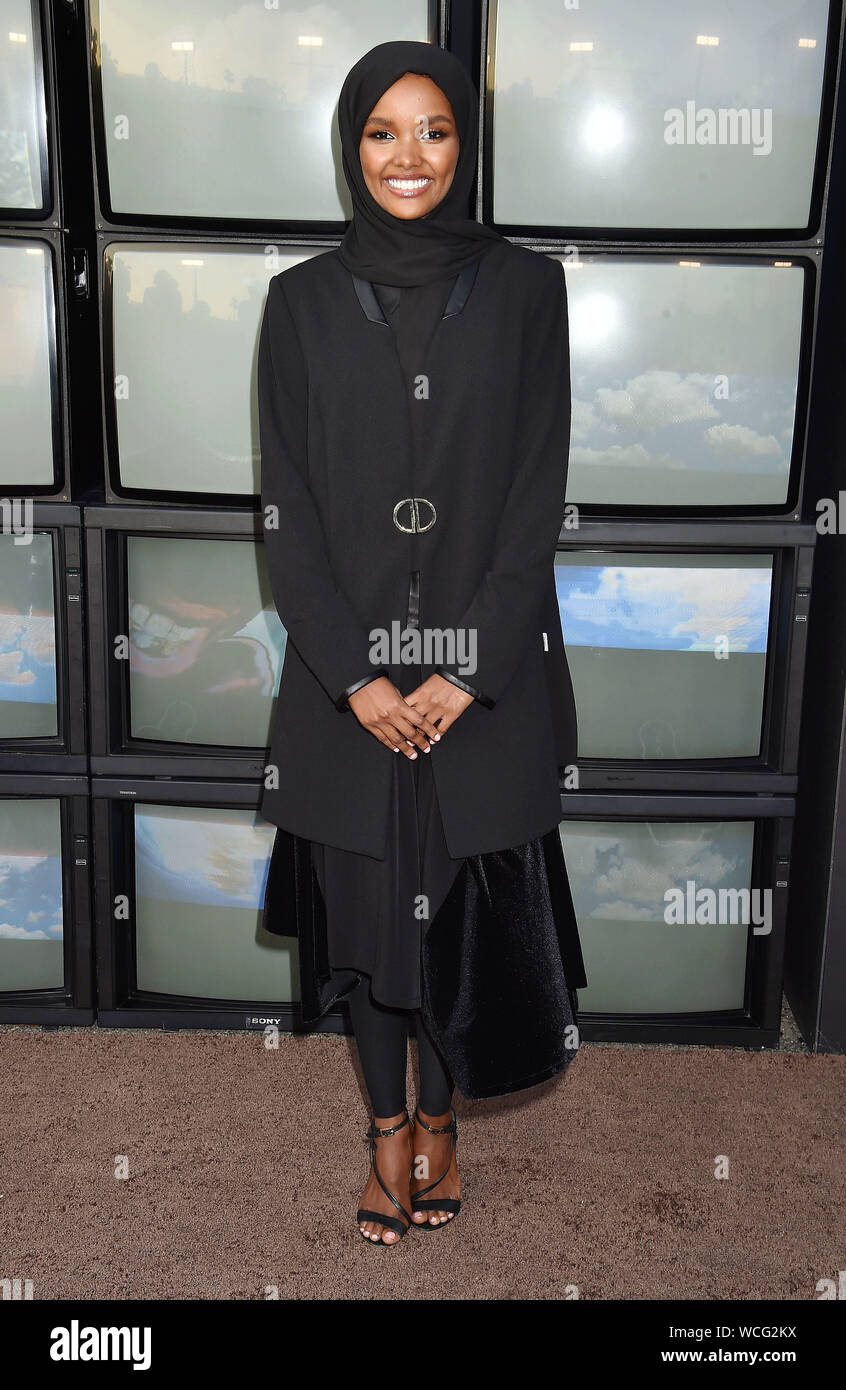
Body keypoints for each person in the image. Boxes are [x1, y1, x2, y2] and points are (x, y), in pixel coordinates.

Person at [257, 40, 586, 1247]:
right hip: (348, 697)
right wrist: (356, 679)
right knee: (371, 938)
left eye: (435, 129)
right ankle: (385, 1139)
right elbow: (284, 514)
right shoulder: (296, 302)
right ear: (351, 144)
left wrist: (463, 668)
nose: (410, 155)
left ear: (466, 143)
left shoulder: (525, 289)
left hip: (481, 691)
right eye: (384, 130)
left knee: (454, 926)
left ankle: (442, 1124)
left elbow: (533, 498)